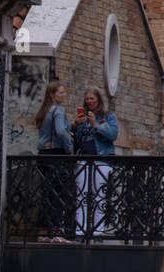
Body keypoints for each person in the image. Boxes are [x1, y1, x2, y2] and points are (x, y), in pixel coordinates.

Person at [70, 88, 117, 238]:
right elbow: (77, 141)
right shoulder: (83, 119)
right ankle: (80, 231)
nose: (89, 101)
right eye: (87, 99)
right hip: (83, 159)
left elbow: (112, 135)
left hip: (102, 160)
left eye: (92, 99)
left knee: (99, 197)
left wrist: (96, 125)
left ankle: (98, 232)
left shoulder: (108, 117)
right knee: (82, 196)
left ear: (99, 100)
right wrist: (75, 126)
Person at [34, 80, 73, 242]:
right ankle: (56, 232)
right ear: (52, 94)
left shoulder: (44, 111)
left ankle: (43, 232)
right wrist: (69, 147)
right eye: (61, 93)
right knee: (58, 192)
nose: (64, 95)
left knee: (47, 193)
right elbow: (60, 131)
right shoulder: (57, 110)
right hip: (57, 154)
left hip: (43, 154)